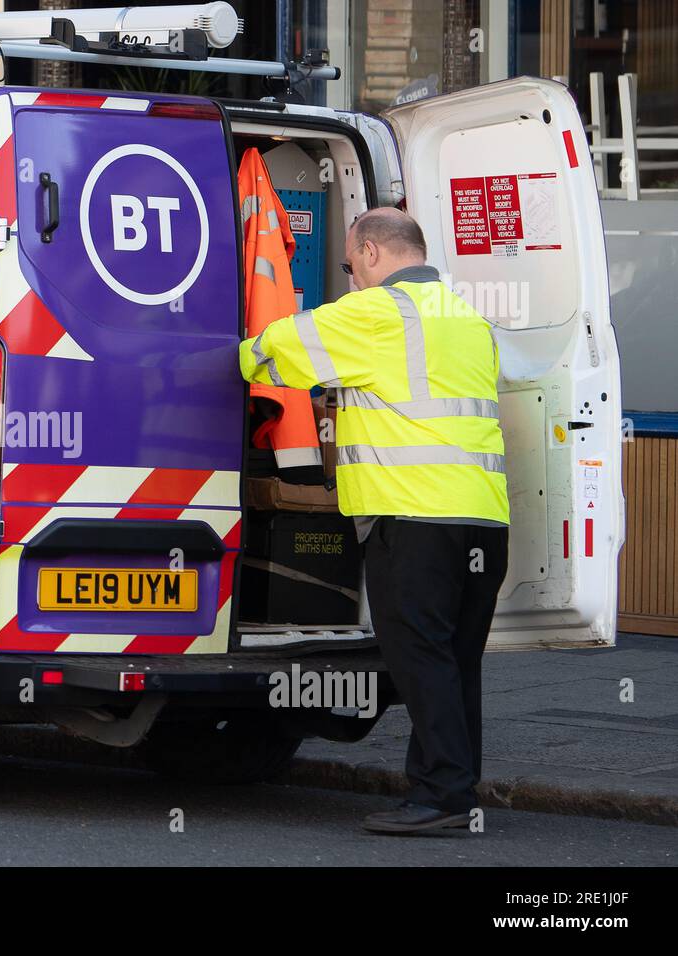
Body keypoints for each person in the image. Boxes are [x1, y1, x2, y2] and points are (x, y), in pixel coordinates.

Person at [238, 207, 510, 834]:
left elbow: (274, 351)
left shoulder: (374, 313)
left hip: (413, 518)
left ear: (367, 252)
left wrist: (231, 355)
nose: (351, 275)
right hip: (482, 521)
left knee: (418, 658)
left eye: (349, 264)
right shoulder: (470, 320)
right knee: (454, 660)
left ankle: (441, 797)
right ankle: (454, 790)